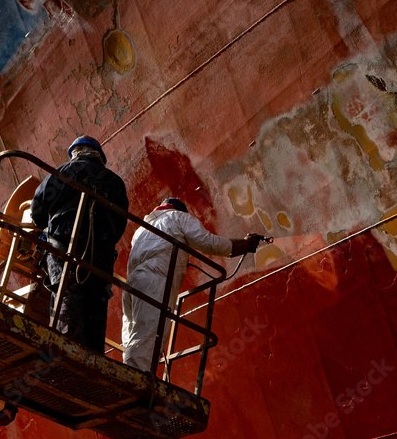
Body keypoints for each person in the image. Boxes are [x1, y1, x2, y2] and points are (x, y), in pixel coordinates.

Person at [121, 197, 261, 372]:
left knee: (133, 337)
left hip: (132, 284)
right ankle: (136, 384)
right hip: (155, 280)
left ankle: (129, 375)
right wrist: (245, 245)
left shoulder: (141, 230)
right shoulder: (178, 217)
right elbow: (209, 243)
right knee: (148, 337)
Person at [30, 136, 128, 352]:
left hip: (64, 250)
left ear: (75, 153)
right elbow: (120, 224)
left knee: (67, 303)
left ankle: (65, 357)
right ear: (99, 157)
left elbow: (36, 213)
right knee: (96, 306)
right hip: (100, 257)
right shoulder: (115, 182)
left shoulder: (59, 173)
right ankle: (93, 360)